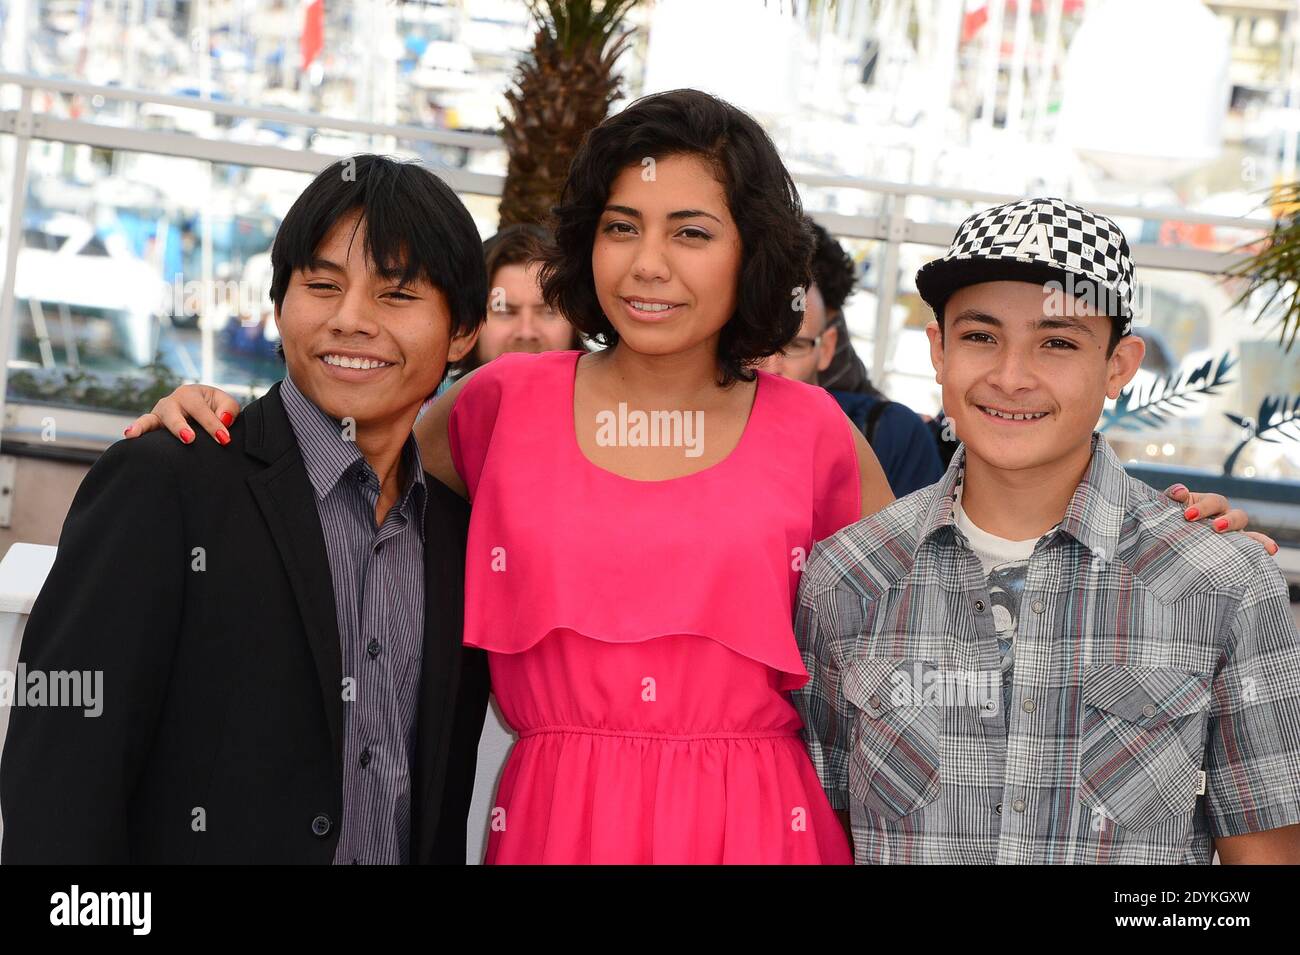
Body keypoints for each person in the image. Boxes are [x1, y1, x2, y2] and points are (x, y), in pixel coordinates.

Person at [125, 111, 1265, 864]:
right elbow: (341, 456)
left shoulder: (811, 432)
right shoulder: (499, 406)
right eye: (620, 228)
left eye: (689, 230)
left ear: (747, 251)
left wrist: (1161, 531)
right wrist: (216, 412)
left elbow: (954, 555)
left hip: (757, 826)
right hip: (554, 820)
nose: (648, 264)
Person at [0, 155, 491, 864]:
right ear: (280, 303)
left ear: (463, 331)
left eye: (396, 295)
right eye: (321, 285)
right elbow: (59, 778)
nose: (350, 320)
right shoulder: (167, 480)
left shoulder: (453, 533)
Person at [792, 197, 1300, 864]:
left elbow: (1265, 857)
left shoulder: (1224, 585)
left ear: (1119, 366)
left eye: (1057, 342)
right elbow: (822, 834)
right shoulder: (847, 579)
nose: (1011, 376)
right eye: (980, 336)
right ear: (939, 350)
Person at [760, 218, 943, 496]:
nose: (771, 364)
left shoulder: (890, 432)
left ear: (828, 341)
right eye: (752, 340)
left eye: (795, 342)